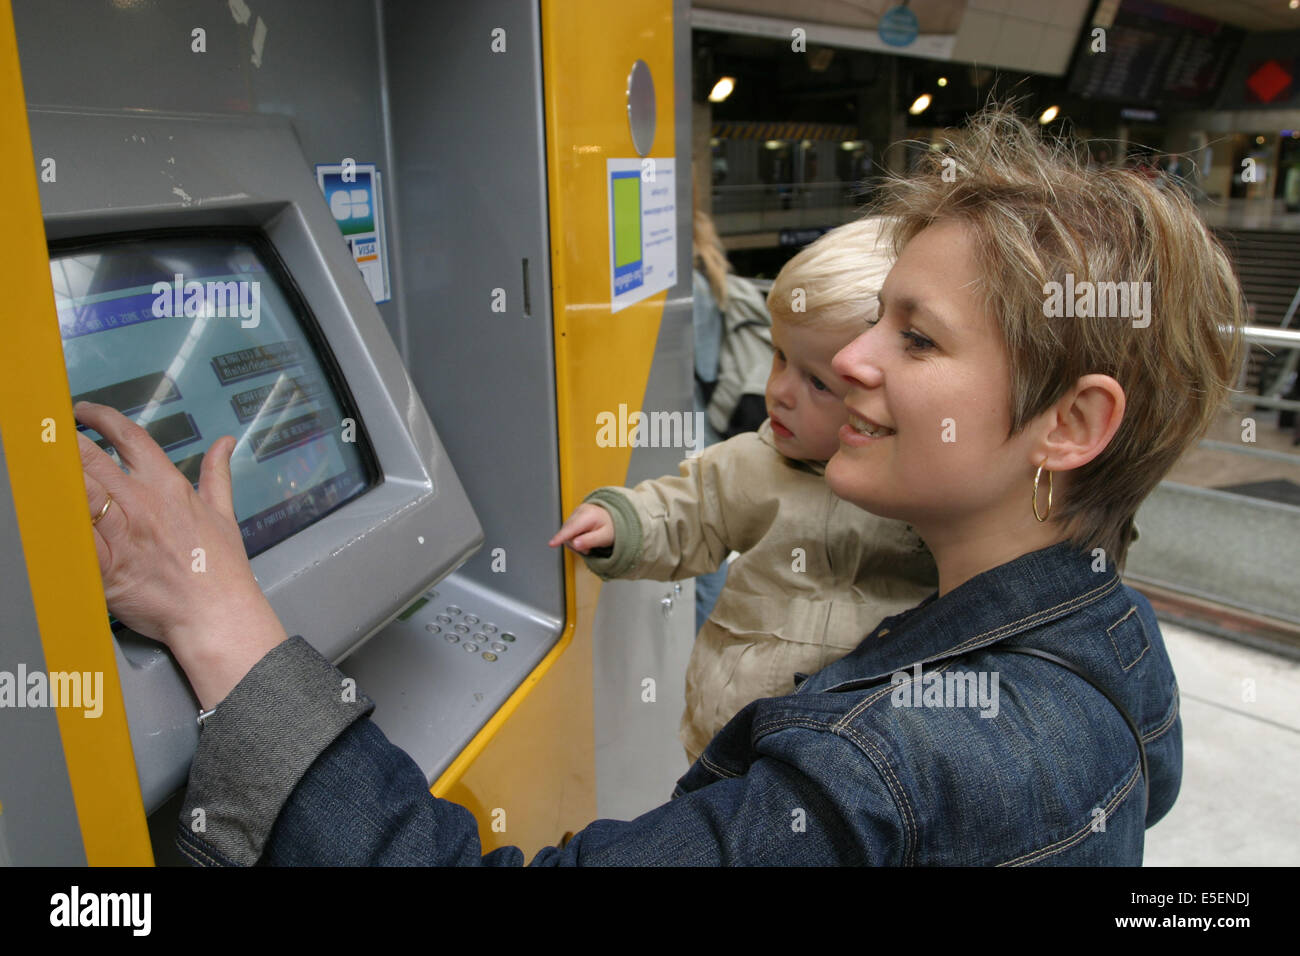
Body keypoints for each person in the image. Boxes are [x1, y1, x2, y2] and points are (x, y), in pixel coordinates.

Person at [76, 105, 1243, 865]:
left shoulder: (893, 768)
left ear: (1071, 423)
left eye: (917, 338)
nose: (850, 362)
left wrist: (215, 610)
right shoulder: (1110, 636)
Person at [550, 218, 938, 764]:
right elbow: (693, 510)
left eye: (818, 382)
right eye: (780, 356)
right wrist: (626, 523)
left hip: (851, 762)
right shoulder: (756, 463)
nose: (777, 390)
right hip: (724, 743)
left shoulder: (931, 497)